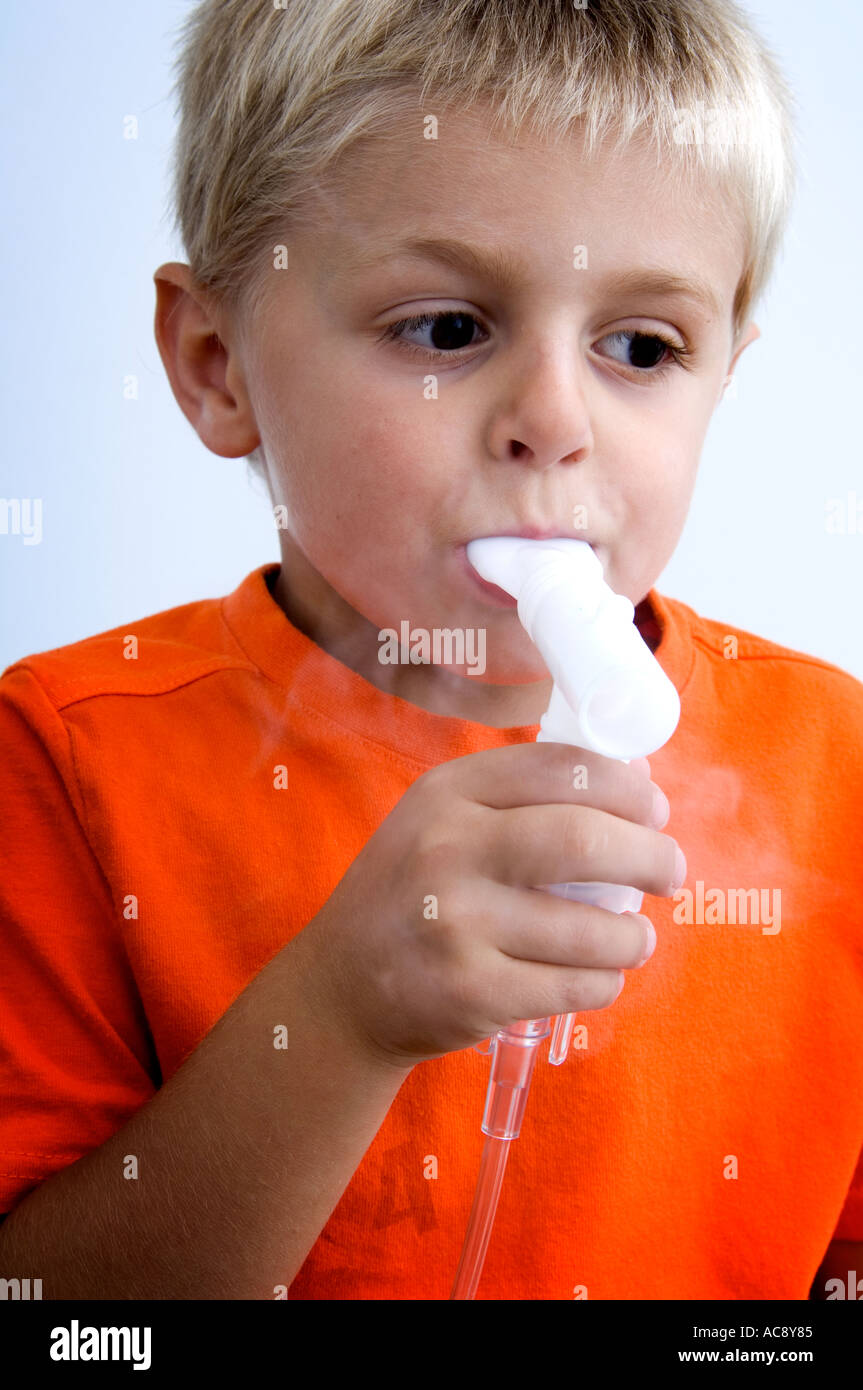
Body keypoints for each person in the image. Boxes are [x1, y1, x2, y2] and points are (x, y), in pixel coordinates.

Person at [1, 0, 860, 1300]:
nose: (552, 422)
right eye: (448, 328)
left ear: (726, 374)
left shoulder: (838, 770)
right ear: (216, 363)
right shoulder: (67, 755)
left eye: (642, 347)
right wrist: (337, 1017)